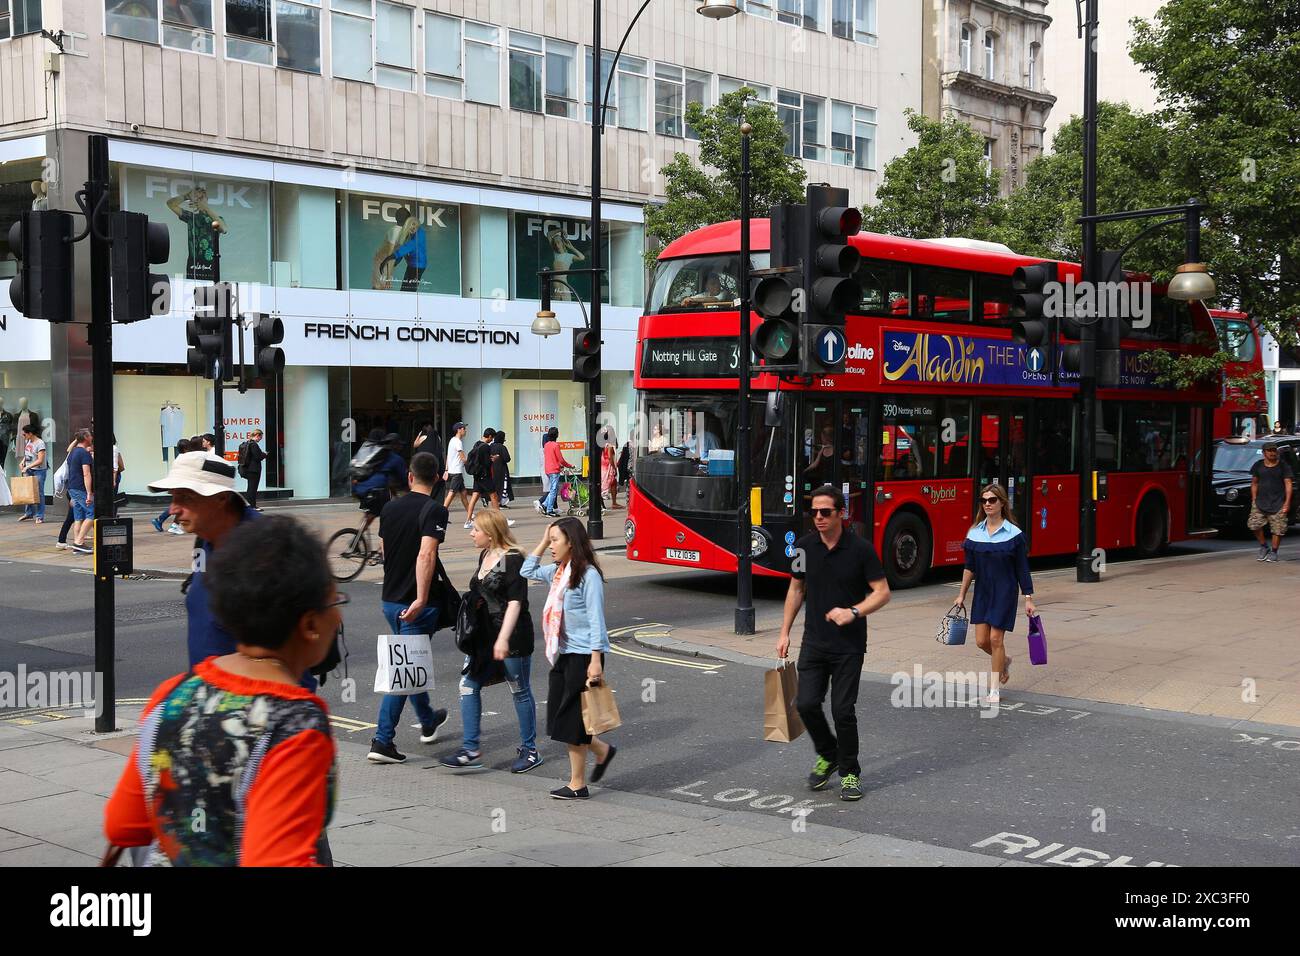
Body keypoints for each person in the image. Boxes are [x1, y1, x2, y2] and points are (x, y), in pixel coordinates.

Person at [104, 516, 340, 866]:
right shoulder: (295, 726)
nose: (338, 618)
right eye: (337, 603)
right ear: (309, 624)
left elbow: (123, 825)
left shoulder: (172, 695)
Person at [776, 485, 890, 802]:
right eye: (814, 512)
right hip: (813, 641)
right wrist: (784, 631)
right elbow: (796, 590)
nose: (819, 518)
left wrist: (854, 612)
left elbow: (882, 592)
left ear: (841, 513)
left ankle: (850, 772)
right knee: (805, 704)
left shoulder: (861, 549)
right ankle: (829, 753)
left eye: (825, 512)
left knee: (843, 710)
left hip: (849, 645)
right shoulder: (804, 547)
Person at [440, 509, 542, 773]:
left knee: (519, 690)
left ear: (490, 533)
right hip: (485, 636)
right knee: (468, 685)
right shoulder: (485, 554)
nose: (471, 533)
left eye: (476, 529)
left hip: (512, 636)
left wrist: (503, 639)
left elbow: (516, 603)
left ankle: (530, 750)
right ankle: (471, 748)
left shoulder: (512, 560)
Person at [521, 518, 615, 800]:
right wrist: (542, 537)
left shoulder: (588, 576)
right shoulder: (559, 572)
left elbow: (597, 620)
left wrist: (596, 661)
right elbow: (528, 570)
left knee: (573, 721)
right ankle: (602, 750)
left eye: (555, 540)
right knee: (565, 718)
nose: (551, 546)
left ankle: (577, 784)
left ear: (571, 542)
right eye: (550, 540)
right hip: (565, 653)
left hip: (585, 656)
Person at [367, 451, 451, 764]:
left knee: (409, 662)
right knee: (403, 670)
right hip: (414, 604)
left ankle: (428, 719)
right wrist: (421, 597)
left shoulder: (389, 508)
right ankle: (382, 740)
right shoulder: (434, 510)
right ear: (440, 478)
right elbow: (426, 555)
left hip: (389, 600)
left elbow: (384, 549)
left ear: (410, 476)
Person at [953, 482, 1037, 705]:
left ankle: (994, 690)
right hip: (982, 591)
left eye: (992, 500)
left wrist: (1028, 598)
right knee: (981, 641)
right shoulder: (975, 533)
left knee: (995, 638)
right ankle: (1005, 661)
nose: (988, 504)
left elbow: (1022, 568)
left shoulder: (1014, 534)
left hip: (1005, 591)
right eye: (984, 500)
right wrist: (961, 594)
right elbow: (969, 567)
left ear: (1002, 503)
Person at [1249, 442, 1293, 563]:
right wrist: (1254, 499)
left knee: (1277, 529)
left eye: (1274, 450)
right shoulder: (1258, 465)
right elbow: (1254, 483)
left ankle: (1274, 552)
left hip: (1278, 502)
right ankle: (1264, 546)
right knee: (1254, 525)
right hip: (1260, 502)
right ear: (1264, 453)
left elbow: (1288, 484)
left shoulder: (1283, 466)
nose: (1272, 453)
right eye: (1269, 451)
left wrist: (1287, 503)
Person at [352, 433, 407, 518]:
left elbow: (387, 481)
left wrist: (394, 493)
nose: (401, 447)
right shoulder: (396, 459)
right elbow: (404, 479)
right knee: (389, 512)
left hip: (359, 488)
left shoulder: (375, 455)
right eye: (399, 445)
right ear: (395, 445)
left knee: (375, 511)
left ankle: (361, 530)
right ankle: (383, 530)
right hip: (374, 491)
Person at [64, 430, 95, 554]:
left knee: (78, 516)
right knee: (92, 512)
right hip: (80, 488)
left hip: (72, 487)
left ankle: (77, 546)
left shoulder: (73, 452)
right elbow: (86, 473)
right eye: (90, 435)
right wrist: (89, 493)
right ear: (86, 437)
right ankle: (79, 542)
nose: (92, 437)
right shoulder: (83, 453)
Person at [152, 438, 192, 534]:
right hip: (181, 486)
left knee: (179, 505)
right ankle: (173, 524)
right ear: (186, 449)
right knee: (182, 506)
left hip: (179, 486)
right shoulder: (184, 459)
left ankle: (161, 520)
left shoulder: (180, 458)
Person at [538, 426, 573, 518]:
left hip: (548, 469)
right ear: (557, 435)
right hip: (554, 470)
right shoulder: (556, 445)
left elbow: (551, 458)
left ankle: (544, 505)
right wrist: (569, 465)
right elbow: (560, 459)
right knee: (553, 490)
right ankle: (549, 510)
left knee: (553, 489)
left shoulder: (546, 445)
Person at [17, 422, 47, 523]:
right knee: (28, 491)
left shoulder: (40, 443)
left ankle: (39, 516)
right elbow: (28, 454)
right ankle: (29, 513)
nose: (23, 436)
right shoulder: (28, 442)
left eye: (24, 434)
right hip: (29, 469)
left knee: (39, 493)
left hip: (39, 471)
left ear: (30, 433)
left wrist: (27, 467)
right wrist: (23, 462)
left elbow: (40, 460)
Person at [444, 421, 471, 520]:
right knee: (451, 494)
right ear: (459, 430)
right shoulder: (458, 442)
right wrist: (471, 463)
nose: (465, 430)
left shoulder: (452, 440)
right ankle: (441, 513)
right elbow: (462, 456)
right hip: (457, 472)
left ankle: (470, 514)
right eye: (464, 428)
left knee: (463, 493)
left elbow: (448, 455)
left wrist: (446, 469)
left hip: (453, 470)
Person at [237, 429, 267, 510]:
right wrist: (264, 454)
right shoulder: (254, 445)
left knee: (250, 488)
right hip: (254, 470)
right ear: (257, 435)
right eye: (260, 437)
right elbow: (258, 457)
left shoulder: (247, 443)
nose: (260, 439)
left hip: (247, 469)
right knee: (252, 489)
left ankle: (249, 505)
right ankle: (252, 506)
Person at [491, 430, 514, 508]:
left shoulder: (491, 446)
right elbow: (507, 458)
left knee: (495, 486)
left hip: (492, 469)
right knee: (503, 486)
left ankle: (495, 502)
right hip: (502, 469)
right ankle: (501, 503)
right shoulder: (502, 447)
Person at [601, 429, 621, 509]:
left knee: (613, 483)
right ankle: (613, 502)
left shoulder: (603, 444)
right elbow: (610, 457)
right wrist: (614, 467)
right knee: (609, 483)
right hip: (608, 467)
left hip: (603, 467)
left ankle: (614, 502)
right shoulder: (609, 445)